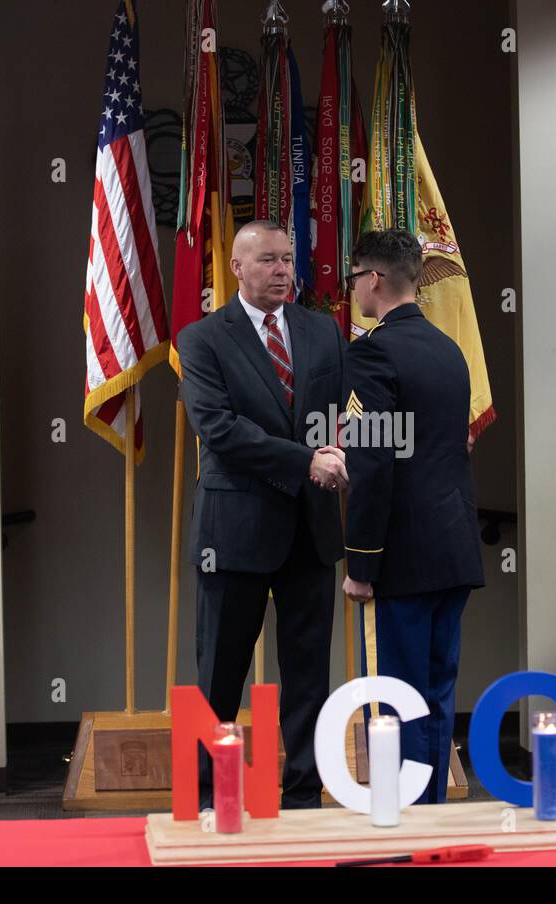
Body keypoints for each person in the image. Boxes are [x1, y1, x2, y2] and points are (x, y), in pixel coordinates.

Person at [177, 220, 348, 810]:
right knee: (219, 678)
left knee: (308, 676)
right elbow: (218, 429)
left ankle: (303, 796)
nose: (283, 271)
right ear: (237, 267)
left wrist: (345, 442)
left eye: (288, 260)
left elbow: (338, 409)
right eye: (269, 261)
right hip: (234, 531)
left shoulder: (322, 330)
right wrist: (307, 461)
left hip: (310, 529)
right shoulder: (201, 339)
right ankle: (207, 799)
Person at [341, 228, 485, 804]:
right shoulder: (446, 348)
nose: (354, 289)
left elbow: (372, 463)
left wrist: (361, 562)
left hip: (398, 558)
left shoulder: (373, 349)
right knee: (435, 694)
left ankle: (399, 827)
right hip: (452, 550)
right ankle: (430, 822)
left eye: (354, 279)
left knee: (392, 699)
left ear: (373, 279)